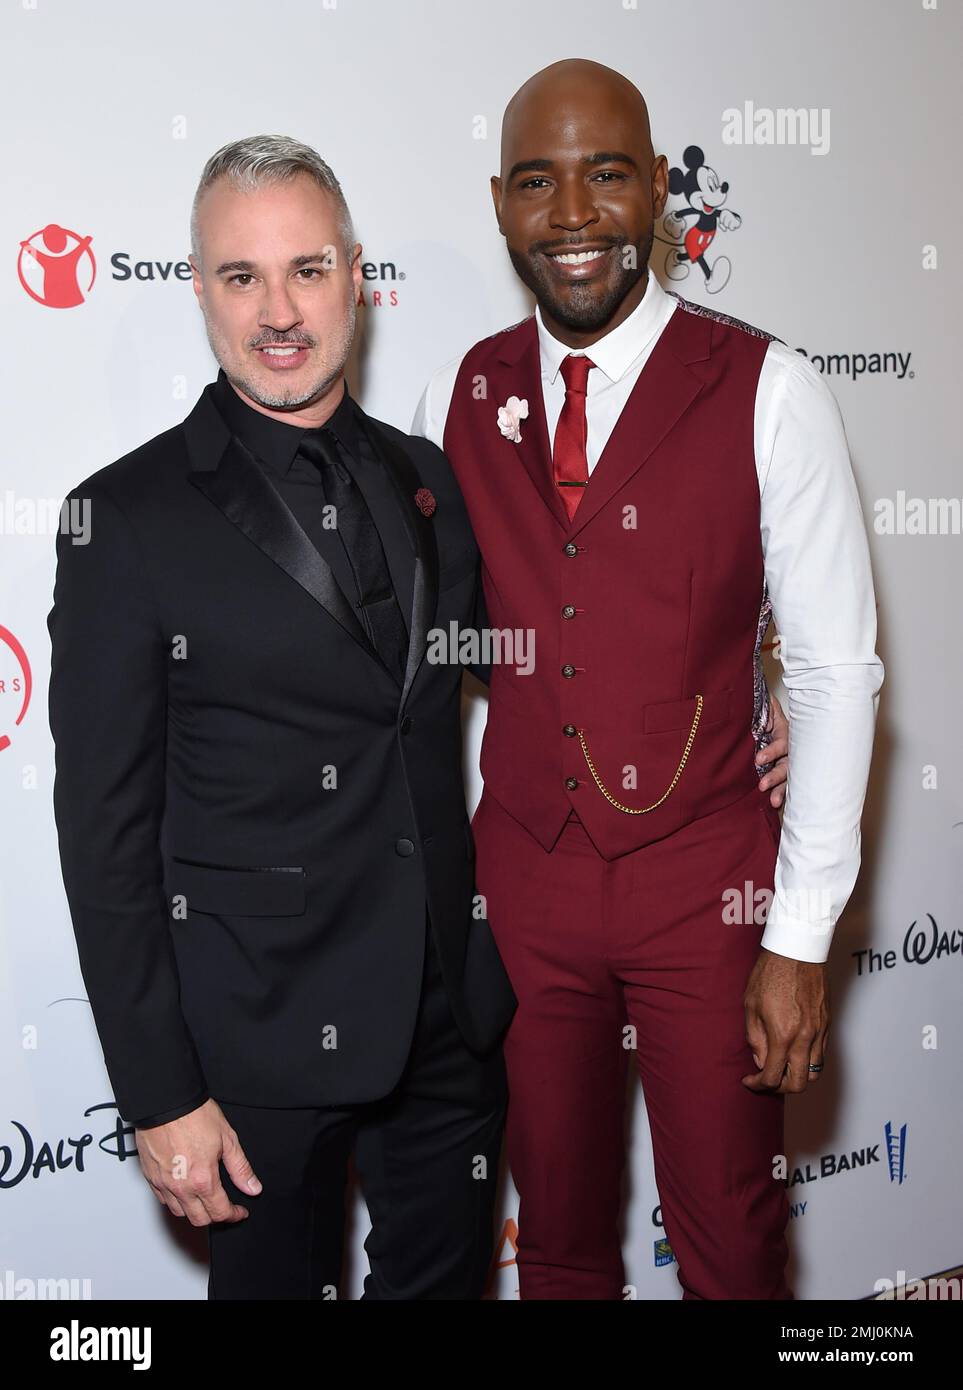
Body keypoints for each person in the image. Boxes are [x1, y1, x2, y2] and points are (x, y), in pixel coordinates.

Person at [413, 59, 884, 1300]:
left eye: (607, 175)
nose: (572, 216)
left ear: (661, 191)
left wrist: (798, 934)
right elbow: (430, 642)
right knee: (557, 1232)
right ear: (501, 204)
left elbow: (837, 670)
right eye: (537, 182)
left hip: (707, 882)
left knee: (729, 1237)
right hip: (520, 879)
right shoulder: (455, 392)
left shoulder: (772, 389)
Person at [46, 135, 516, 1300]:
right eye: (241, 276)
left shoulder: (428, 476)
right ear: (197, 287)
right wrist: (159, 1093)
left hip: (446, 1013)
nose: (279, 312)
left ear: (357, 275)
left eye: (306, 269)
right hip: (252, 1041)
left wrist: (742, 695)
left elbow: (514, 663)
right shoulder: (122, 519)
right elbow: (103, 839)